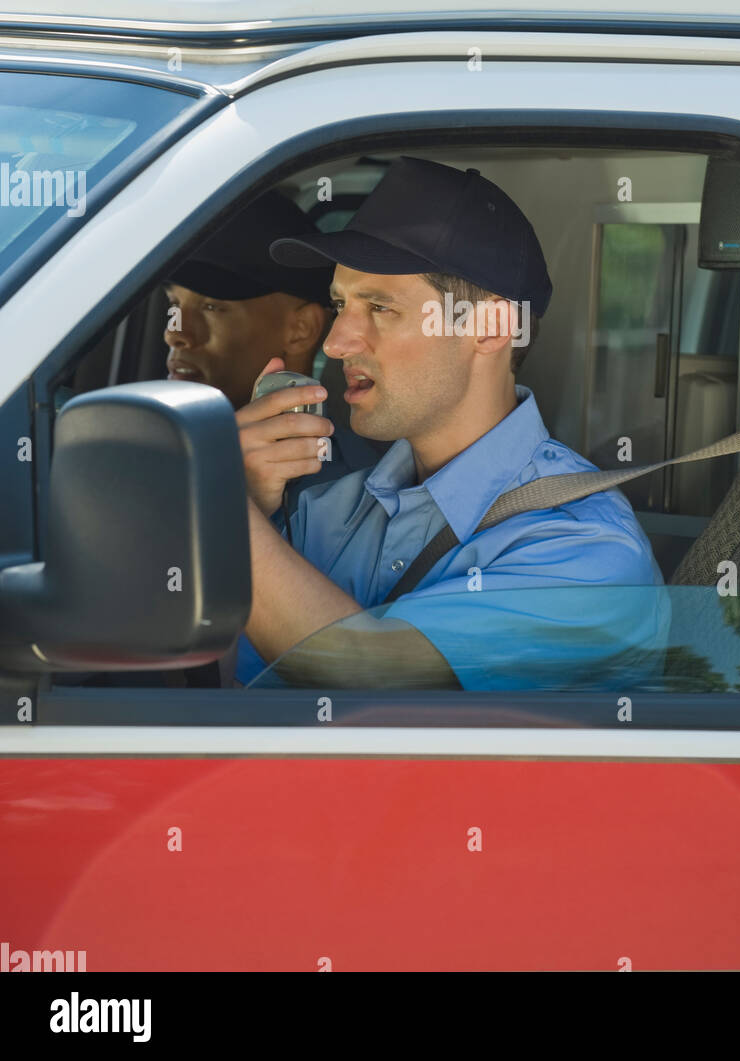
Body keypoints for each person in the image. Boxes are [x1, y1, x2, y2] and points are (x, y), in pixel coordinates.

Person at [234, 157, 669, 691]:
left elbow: (363, 674)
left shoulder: (588, 552)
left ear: (488, 329)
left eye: (380, 308)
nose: (335, 342)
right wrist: (252, 502)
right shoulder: (324, 509)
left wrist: (219, 501)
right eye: (339, 303)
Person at [165, 190, 382, 492]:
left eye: (212, 307)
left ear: (301, 329)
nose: (175, 333)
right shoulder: (158, 441)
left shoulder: (336, 489)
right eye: (173, 303)